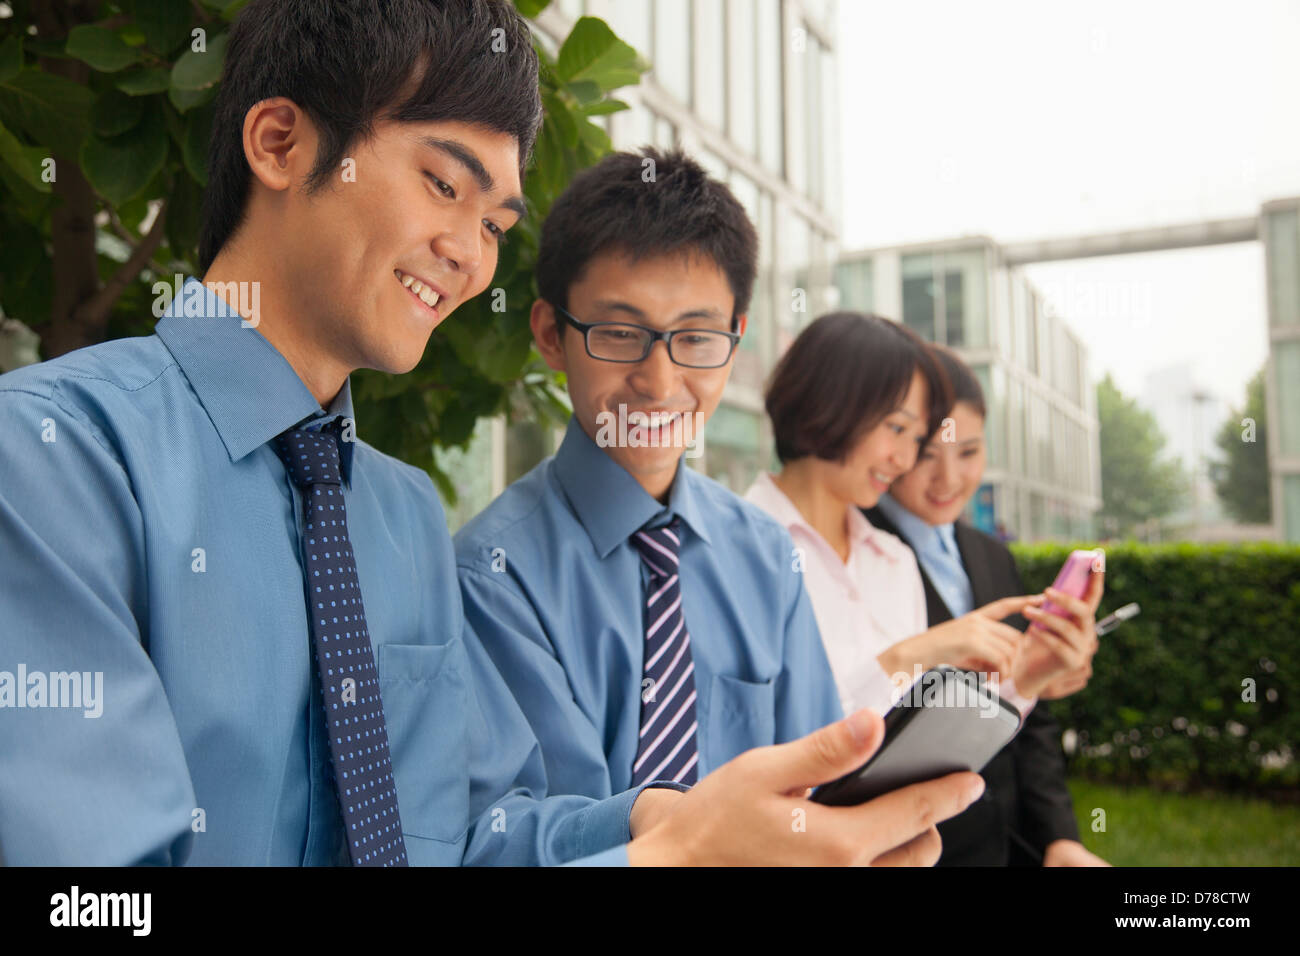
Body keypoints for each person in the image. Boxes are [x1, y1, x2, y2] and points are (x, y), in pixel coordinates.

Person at [0, 0, 983, 867]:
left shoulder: (397, 516)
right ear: (280, 142)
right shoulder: (53, 461)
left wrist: (663, 822)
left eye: (497, 222)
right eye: (442, 184)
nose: (470, 257)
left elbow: (475, 837)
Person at [455, 147, 846, 801]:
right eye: (617, 332)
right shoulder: (492, 575)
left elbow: (822, 776)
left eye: (695, 338)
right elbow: (522, 833)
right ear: (551, 333)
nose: (659, 383)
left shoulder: (766, 554)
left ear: (735, 338)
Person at [746, 312, 1092, 723]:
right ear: (829, 404)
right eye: (896, 428)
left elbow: (921, 737)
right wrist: (910, 656)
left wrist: (1026, 678)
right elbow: (759, 736)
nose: (904, 459)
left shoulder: (893, 560)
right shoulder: (736, 551)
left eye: (916, 438)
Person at [867, 345, 1107, 865]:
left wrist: (1059, 839)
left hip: (1009, 844)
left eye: (969, 452)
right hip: (913, 847)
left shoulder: (991, 556)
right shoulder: (854, 554)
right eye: (927, 454)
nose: (949, 479)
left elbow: (1034, 719)